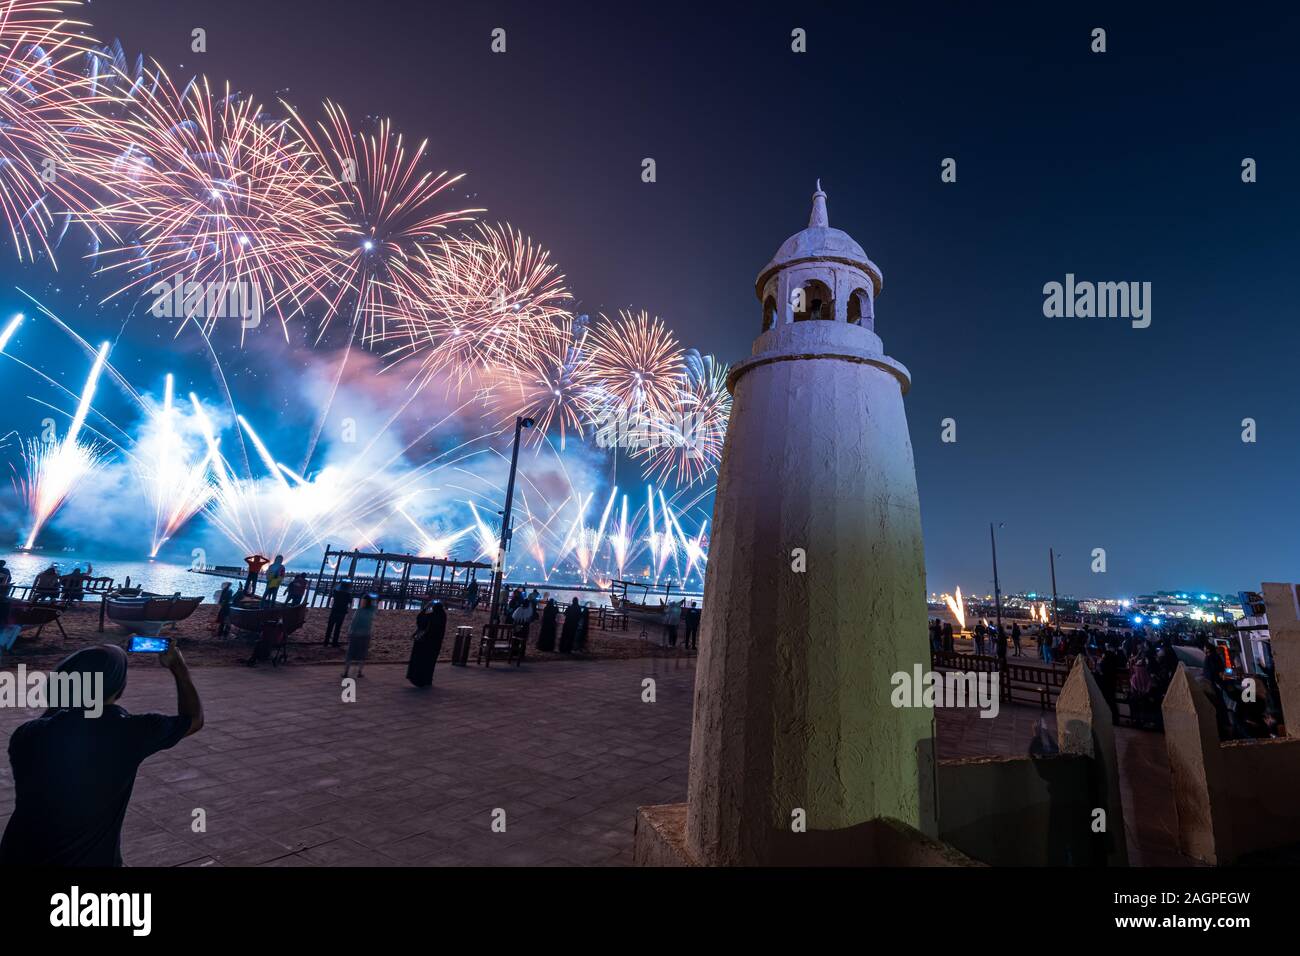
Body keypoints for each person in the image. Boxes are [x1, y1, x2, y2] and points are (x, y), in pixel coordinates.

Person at [0, 643, 202, 866]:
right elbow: (194, 719)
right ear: (119, 688)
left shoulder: (26, 734)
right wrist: (179, 667)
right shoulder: (133, 733)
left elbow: (59, 720)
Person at [406, 599, 447, 688]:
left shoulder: (431, 617)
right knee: (431, 662)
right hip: (436, 643)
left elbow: (420, 620)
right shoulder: (442, 616)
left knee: (421, 661)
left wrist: (425, 608)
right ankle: (428, 680)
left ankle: (419, 680)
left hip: (426, 642)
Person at [342, 594, 376, 679]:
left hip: (356, 634)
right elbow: (375, 604)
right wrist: (372, 598)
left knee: (350, 653)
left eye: (362, 601)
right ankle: (359, 672)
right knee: (362, 654)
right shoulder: (371, 611)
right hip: (366, 634)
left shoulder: (359, 611)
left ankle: (346, 672)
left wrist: (350, 632)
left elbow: (354, 622)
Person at [324, 581, 352, 647]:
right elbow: (350, 601)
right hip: (342, 611)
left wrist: (337, 585)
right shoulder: (348, 594)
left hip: (334, 610)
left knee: (330, 627)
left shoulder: (336, 592)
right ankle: (334, 642)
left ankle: (326, 642)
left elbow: (333, 590)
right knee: (338, 628)